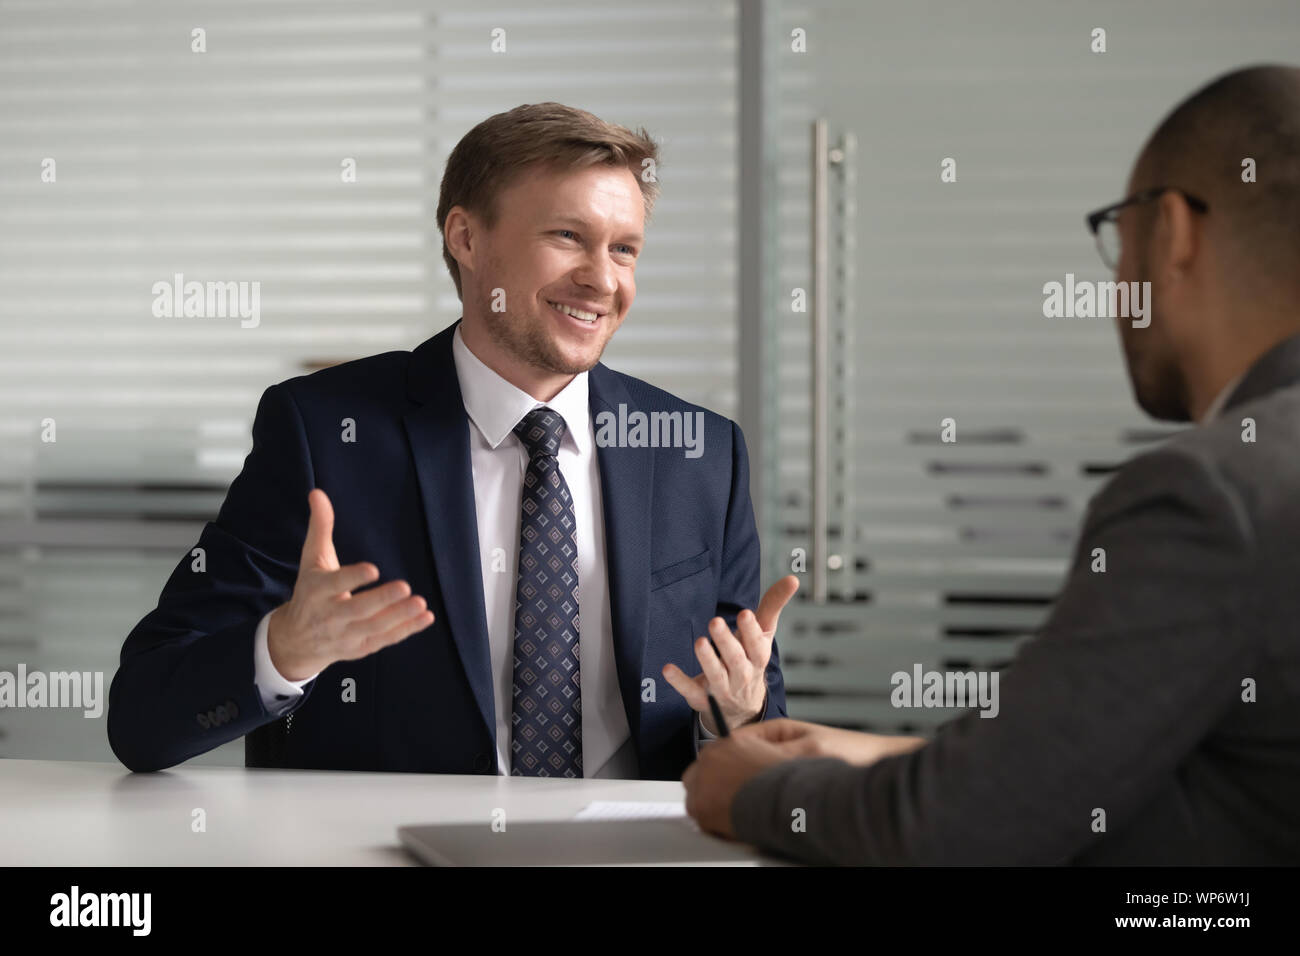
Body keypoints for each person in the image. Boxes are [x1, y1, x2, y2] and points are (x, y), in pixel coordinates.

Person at [683, 65, 1300, 864]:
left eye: (1122, 238)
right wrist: (895, 760)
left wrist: (749, 791)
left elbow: (967, 829)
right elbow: (1187, 772)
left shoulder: (1219, 493)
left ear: (1175, 233)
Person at [108, 102, 796, 779]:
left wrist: (733, 715)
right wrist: (283, 650)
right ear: (465, 239)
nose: (603, 279)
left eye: (624, 249)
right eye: (566, 237)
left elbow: (754, 723)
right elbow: (142, 720)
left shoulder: (699, 452)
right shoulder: (324, 433)